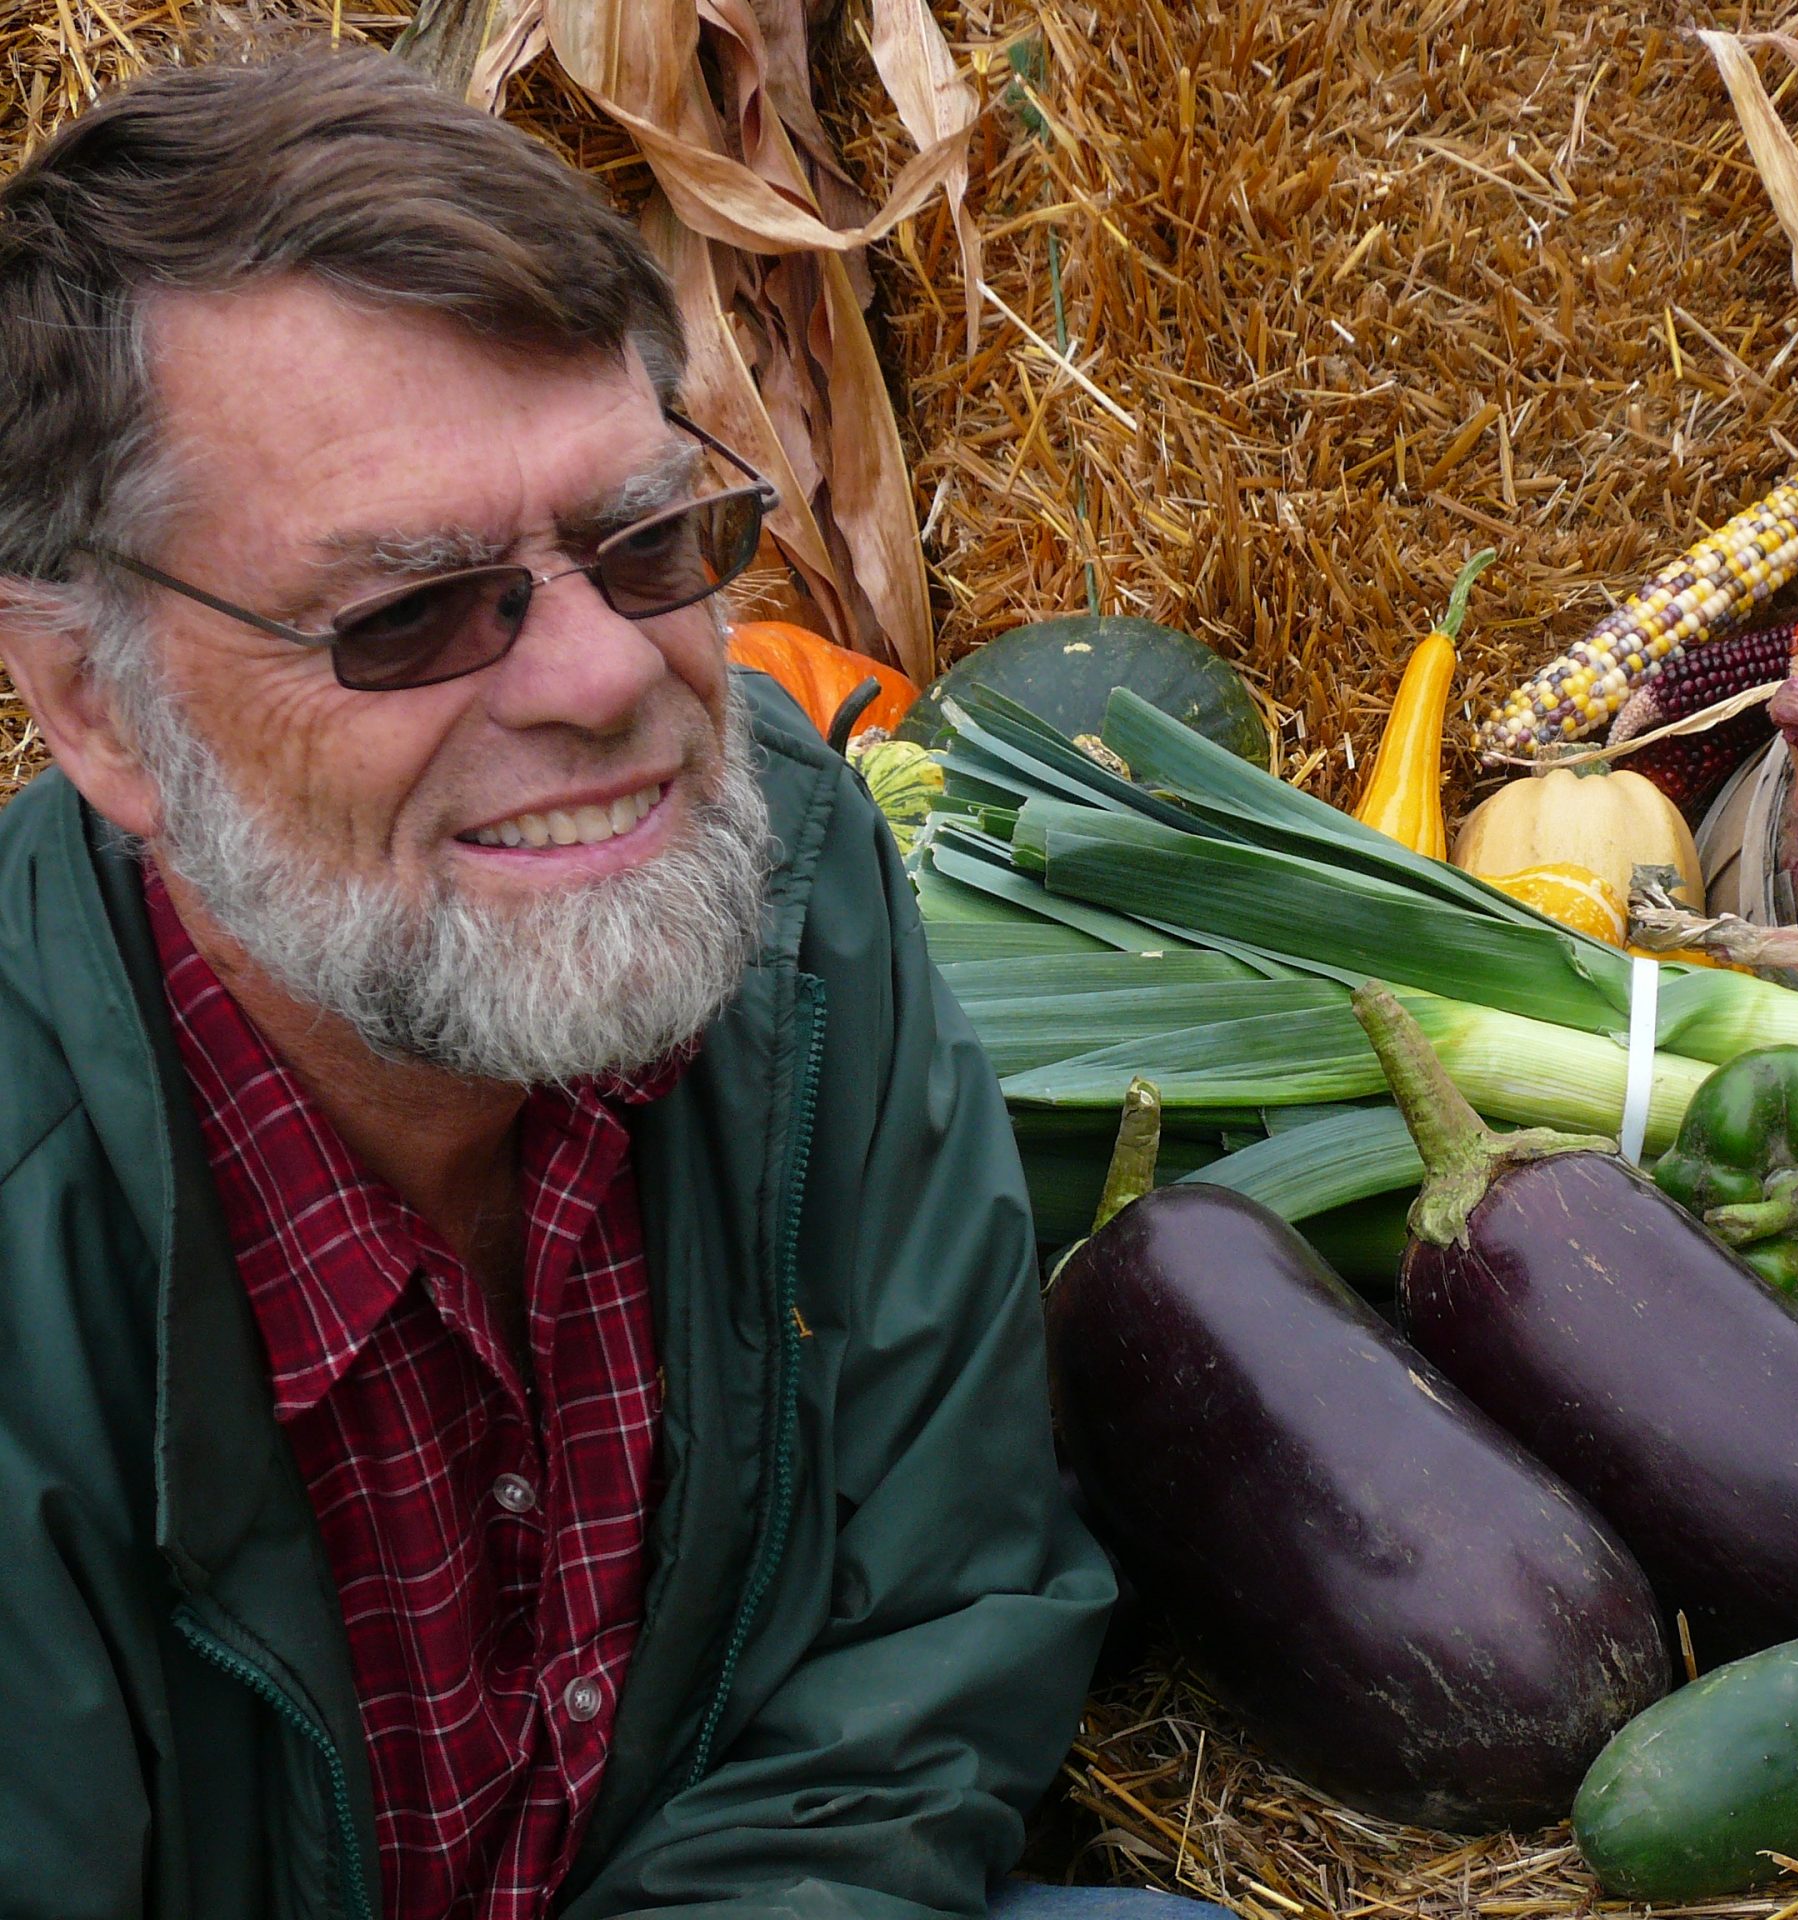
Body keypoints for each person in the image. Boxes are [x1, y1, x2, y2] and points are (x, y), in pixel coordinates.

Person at [0, 48, 1218, 1920]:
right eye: (406, 611)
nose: (602, 679)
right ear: (94, 707)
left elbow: (942, 1618)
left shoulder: (792, 872)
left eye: (649, 540)